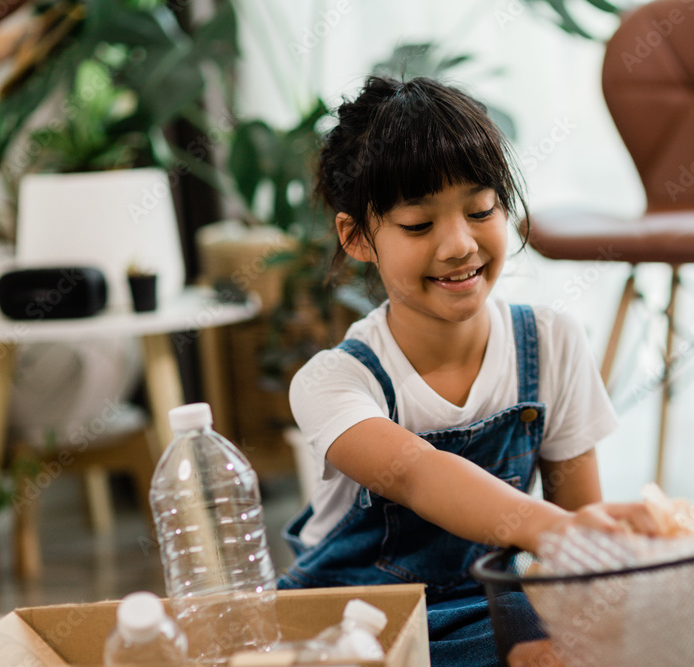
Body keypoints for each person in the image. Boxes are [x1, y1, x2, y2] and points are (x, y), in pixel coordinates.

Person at [278, 75, 656, 666]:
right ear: (357, 238)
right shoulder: (335, 382)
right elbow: (417, 474)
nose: (459, 245)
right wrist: (551, 530)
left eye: (481, 209)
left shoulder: (551, 342)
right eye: (418, 225)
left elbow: (575, 527)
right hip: (359, 619)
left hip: (490, 599)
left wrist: (610, 549)